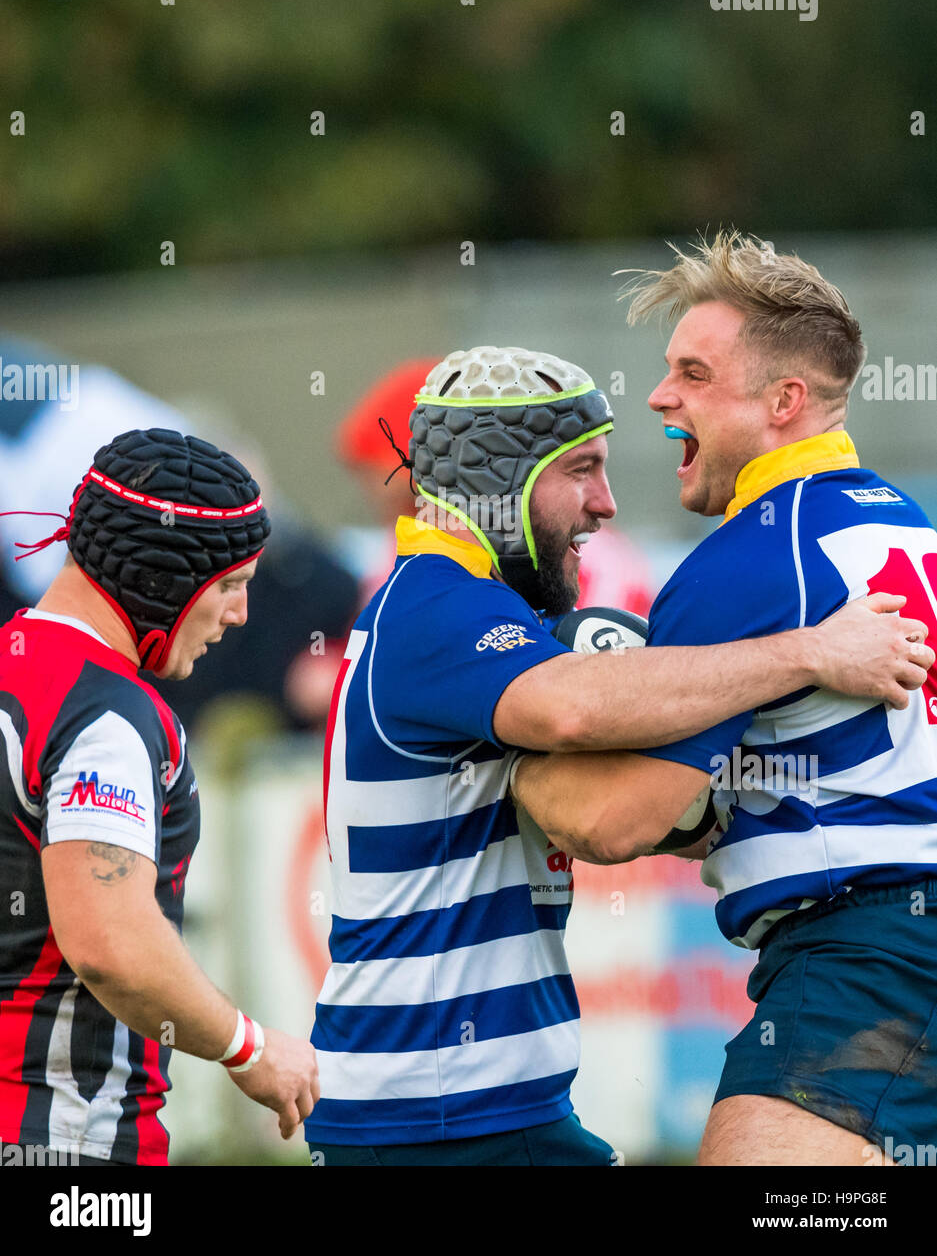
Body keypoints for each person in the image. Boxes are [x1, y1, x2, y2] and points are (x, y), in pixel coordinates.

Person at [304, 344, 929, 1167]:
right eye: (583, 471)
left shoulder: (473, 615)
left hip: (472, 1108)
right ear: (505, 481)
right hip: (440, 1114)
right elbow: (574, 710)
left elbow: (620, 799)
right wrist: (812, 654)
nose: (604, 504)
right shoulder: (440, 604)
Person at [512, 233, 937, 1166]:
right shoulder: (905, 521)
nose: (660, 398)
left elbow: (618, 822)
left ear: (783, 402)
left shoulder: (750, 558)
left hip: (873, 952)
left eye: (692, 375)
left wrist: (508, 752)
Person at [0, 427, 319, 1165]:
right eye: (232, 585)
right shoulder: (103, 716)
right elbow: (109, 944)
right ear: (165, 577)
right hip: (61, 1140)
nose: (238, 615)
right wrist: (250, 1048)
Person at [335, 357, 656, 616]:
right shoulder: (403, 552)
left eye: (371, 469)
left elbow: (595, 671)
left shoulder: (593, 558)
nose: (370, 489)